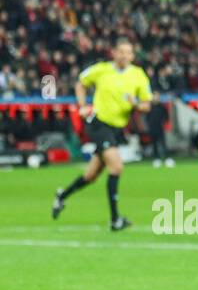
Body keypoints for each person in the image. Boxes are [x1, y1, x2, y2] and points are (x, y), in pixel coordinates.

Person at [51, 38, 152, 230]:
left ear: (132, 55)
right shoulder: (102, 69)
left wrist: (136, 104)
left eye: (128, 52)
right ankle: (115, 220)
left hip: (116, 129)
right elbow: (80, 83)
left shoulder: (138, 75)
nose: (124, 55)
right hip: (99, 124)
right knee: (116, 167)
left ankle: (61, 196)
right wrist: (82, 106)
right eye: (120, 51)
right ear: (113, 53)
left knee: (91, 175)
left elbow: (147, 104)